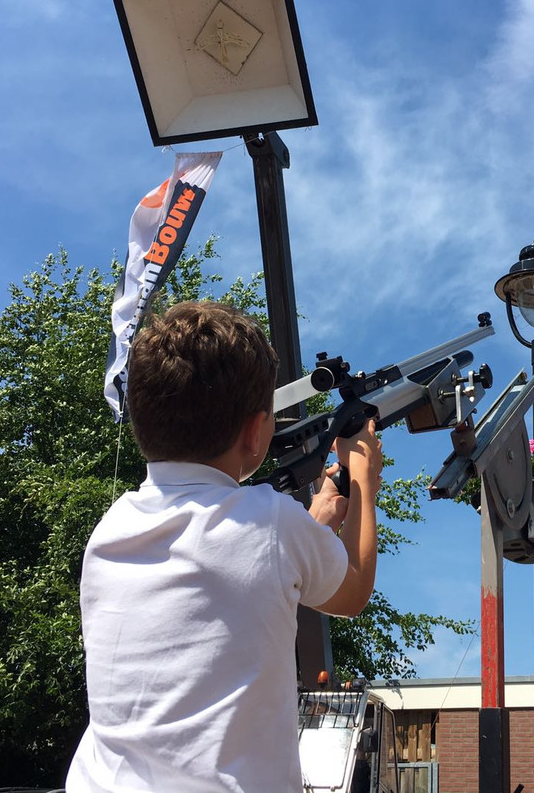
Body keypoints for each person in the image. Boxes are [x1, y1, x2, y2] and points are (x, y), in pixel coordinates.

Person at [66, 300, 382, 792]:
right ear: (255, 432)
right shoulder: (274, 523)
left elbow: (241, 573)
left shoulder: (112, 528)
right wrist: (363, 478)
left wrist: (316, 518)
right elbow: (354, 589)